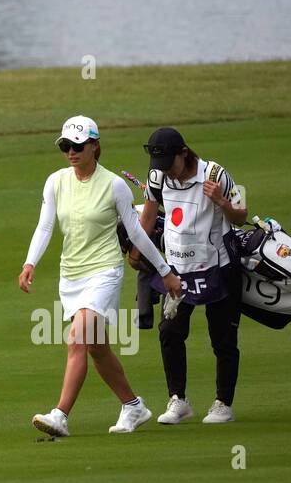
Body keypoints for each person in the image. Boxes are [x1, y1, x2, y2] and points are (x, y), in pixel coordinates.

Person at [19, 116, 181, 437]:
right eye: (66, 146)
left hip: (104, 272)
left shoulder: (114, 185)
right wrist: (30, 263)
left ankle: (60, 415)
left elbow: (135, 231)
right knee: (96, 347)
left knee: (77, 338)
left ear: (95, 146)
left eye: (77, 146)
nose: (71, 152)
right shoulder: (56, 182)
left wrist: (164, 271)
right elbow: (46, 225)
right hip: (71, 276)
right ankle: (133, 406)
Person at [138, 127, 248, 425]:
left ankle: (223, 404)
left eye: (168, 164)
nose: (164, 172)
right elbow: (148, 216)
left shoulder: (214, 174)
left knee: (223, 339)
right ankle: (178, 400)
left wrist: (222, 202)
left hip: (219, 268)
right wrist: (139, 249)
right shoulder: (158, 176)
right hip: (177, 271)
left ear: (183, 153)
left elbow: (242, 215)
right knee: (170, 332)